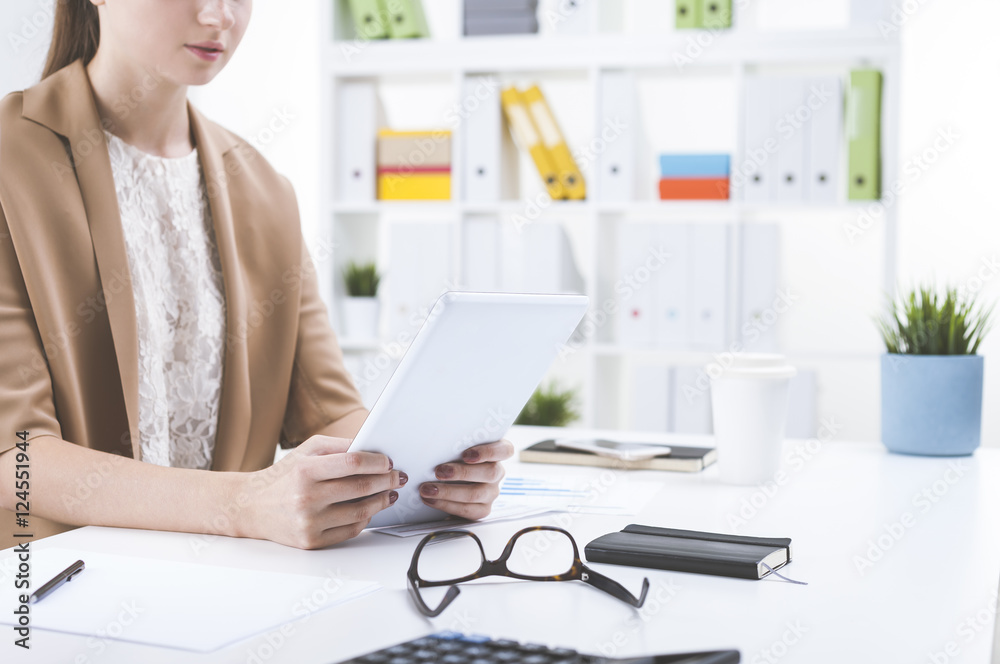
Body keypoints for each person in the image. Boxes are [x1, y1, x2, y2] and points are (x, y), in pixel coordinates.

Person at [0, 0, 512, 551]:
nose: (220, 15)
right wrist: (242, 505)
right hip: (50, 596)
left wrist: (431, 473)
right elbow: (14, 459)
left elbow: (329, 410)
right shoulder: (13, 160)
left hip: (228, 591)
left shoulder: (263, 188)